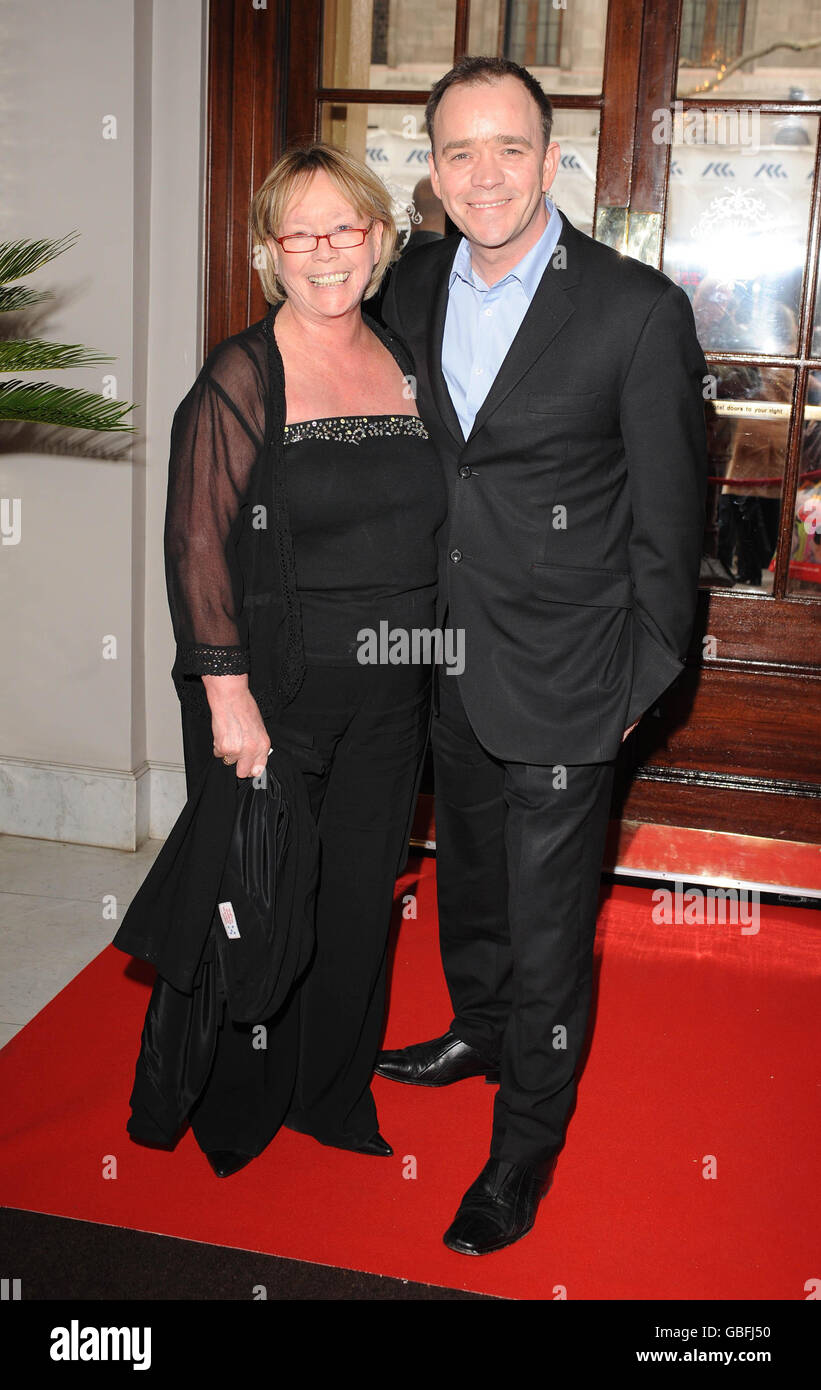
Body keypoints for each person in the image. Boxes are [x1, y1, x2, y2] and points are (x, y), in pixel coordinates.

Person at [376, 57, 709, 1254]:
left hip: (573, 678)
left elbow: (672, 535)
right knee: (464, 876)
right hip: (440, 659)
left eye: (507, 147)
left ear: (549, 159)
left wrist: (635, 687)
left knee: (550, 920)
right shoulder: (408, 284)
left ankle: (523, 1149)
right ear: (429, 168)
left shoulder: (632, 309)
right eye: (458, 150)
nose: (483, 174)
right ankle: (476, 1024)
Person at [160, 142, 446, 1176]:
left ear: (380, 242)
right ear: (267, 253)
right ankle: (242, 1096)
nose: (327, 250)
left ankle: (331, 1091)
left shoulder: (405, 360)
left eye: (347, 228)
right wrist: (228, 702)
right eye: (301, 232)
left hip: (395, 687)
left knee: (359, 894)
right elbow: (196, 541)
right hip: (275, 689)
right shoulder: (243, 373)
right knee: (262, 897)